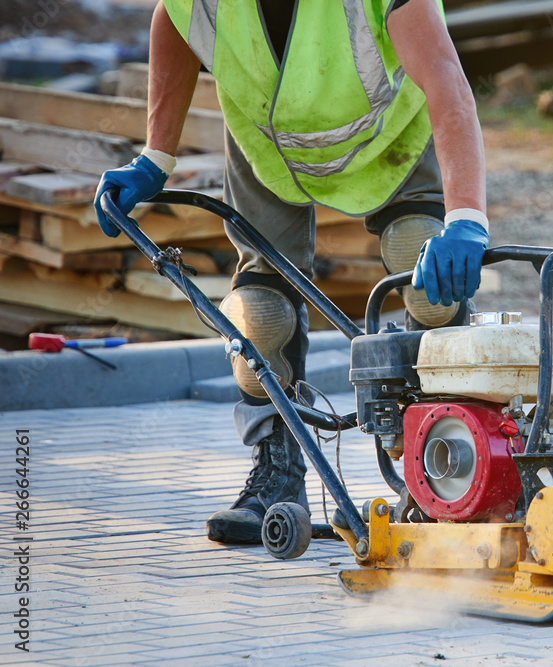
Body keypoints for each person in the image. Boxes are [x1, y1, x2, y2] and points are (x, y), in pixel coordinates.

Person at [93, 0, 489, 544]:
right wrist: (156, 156)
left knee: (424, 269)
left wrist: (466, 218)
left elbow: (447, 82)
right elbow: (175, 19)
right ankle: (276, 478)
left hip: (387, 137)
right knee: (258, 317)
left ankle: (449, 468)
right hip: (269, 152)